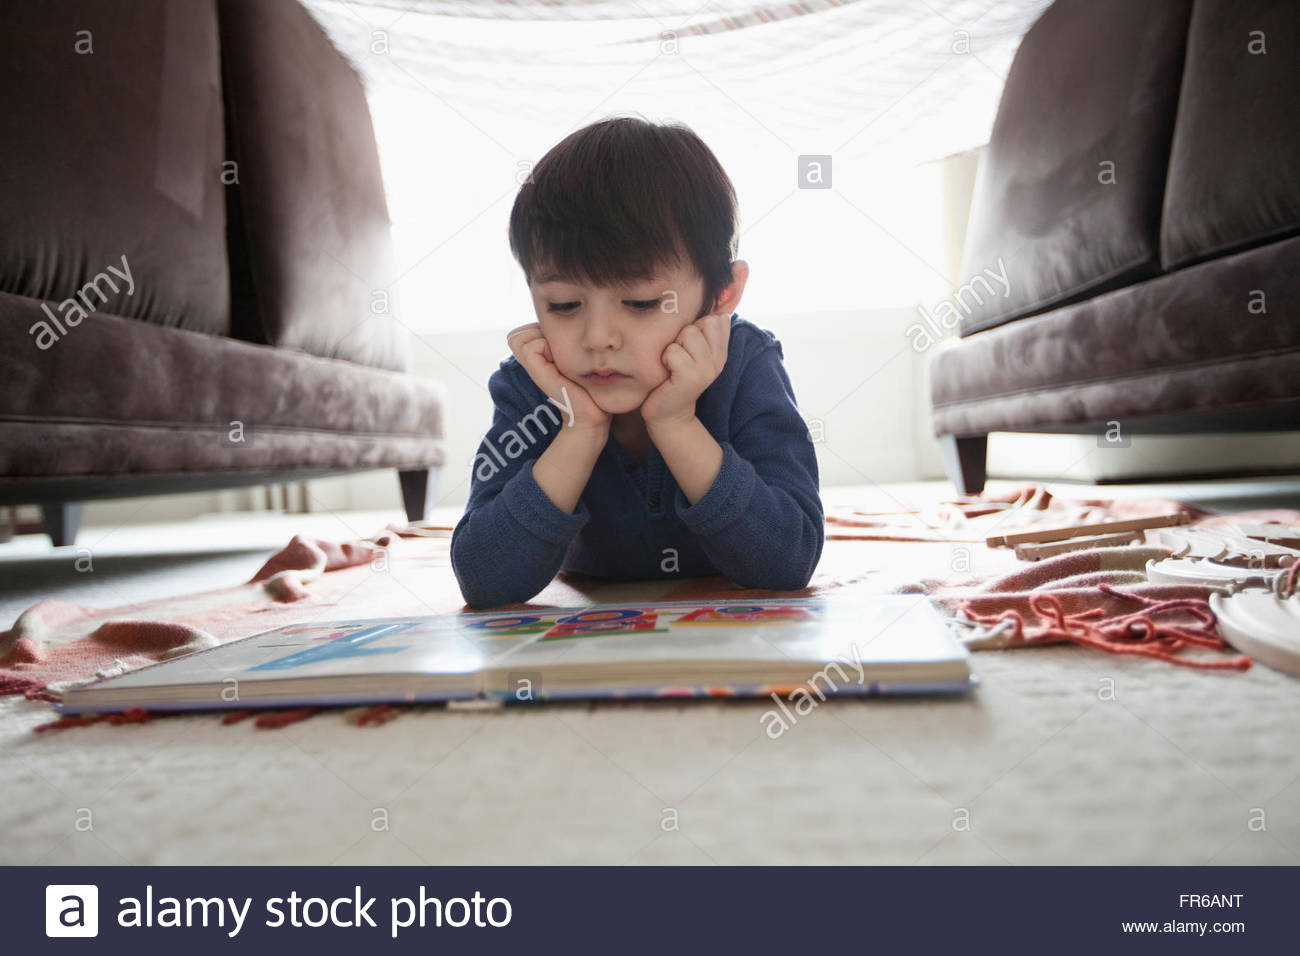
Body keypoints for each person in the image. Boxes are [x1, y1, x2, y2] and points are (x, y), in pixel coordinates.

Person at [450, 115, 823, 609]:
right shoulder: (531, 387)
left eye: (643, 304)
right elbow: (483, 580)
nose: (598, 339)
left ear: (722, 293)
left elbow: (788, 560)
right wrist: (579, 430)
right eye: (563, 305)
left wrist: (676, 422)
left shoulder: (746, 364)